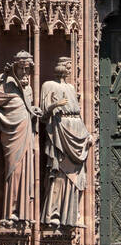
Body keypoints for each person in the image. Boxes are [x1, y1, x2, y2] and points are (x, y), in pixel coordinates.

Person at [39, 57, 93, 227]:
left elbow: (77, 115)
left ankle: (71, 215)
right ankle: (53, 213)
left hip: (76, 133)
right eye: (68, 66)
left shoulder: (70, 87)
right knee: (59, 174)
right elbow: (42, 115)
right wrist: (54, 105)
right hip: (59, 132)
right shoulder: (48, 85)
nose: (69, 70)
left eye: (71, 66)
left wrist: (86, 134)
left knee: (76, 177)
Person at [0, 52, 39, 224]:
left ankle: (24, 212)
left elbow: (27, 107)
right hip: (12, 134)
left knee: (27, 171)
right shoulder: (7, 85)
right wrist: (2, 78)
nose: (23, 72)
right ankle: (9, 211)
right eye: (20, 68)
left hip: (26, 132)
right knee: (15, 170)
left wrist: (34, 112)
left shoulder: (28, 89)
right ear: (14, 68)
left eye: (26, 69)